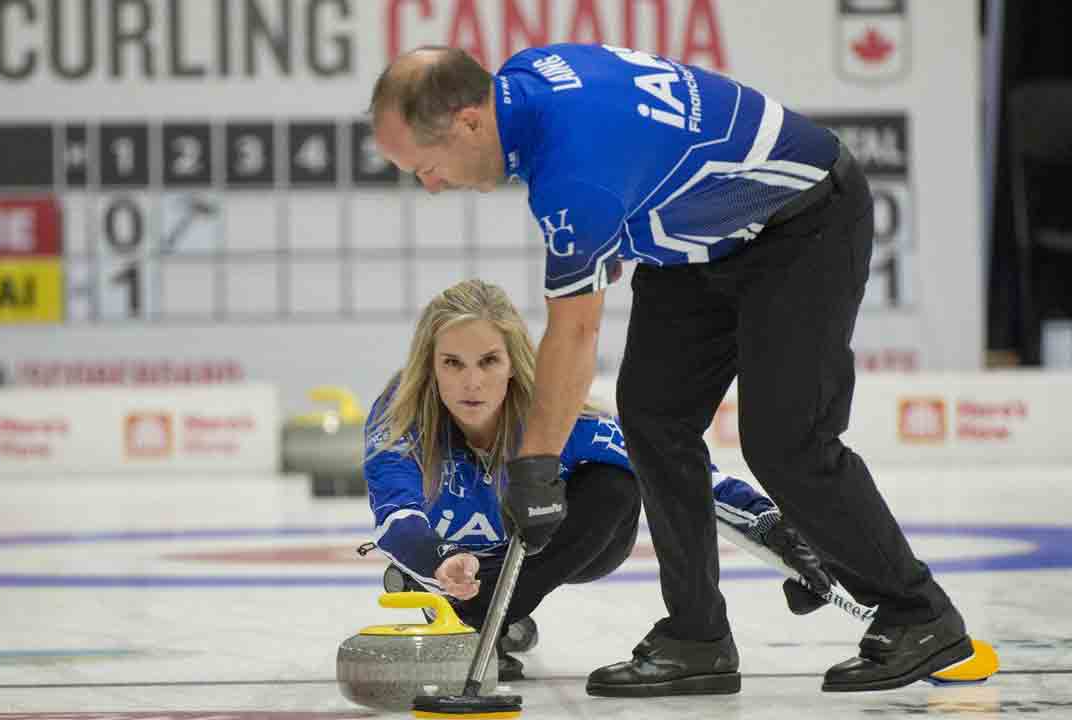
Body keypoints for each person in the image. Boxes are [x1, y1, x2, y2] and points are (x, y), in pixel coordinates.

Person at [368, 45, 973, 696]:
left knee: (786, 441)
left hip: (801, 222)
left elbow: (574, 333)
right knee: (654, 418)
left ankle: (920, 615)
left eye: (426, 168)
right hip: (693, 237)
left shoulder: (574, 174)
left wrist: (535, 466)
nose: (429, 186)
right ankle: (696, 638)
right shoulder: (522, 86)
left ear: (466, 123)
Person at [363, 278, 829, 683]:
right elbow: (395, 515)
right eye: (453, 364)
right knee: (425, 555)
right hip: (451, 559)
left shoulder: (554, 417)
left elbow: (683, 474)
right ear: (430, 365)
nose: (472, 384)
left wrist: (777, 531)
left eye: (488, 361)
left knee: (617, 483)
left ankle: (487, 615)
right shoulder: (401, 417)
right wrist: (438, 561)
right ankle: (480, 607)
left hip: (543, 552)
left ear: (512, 364)